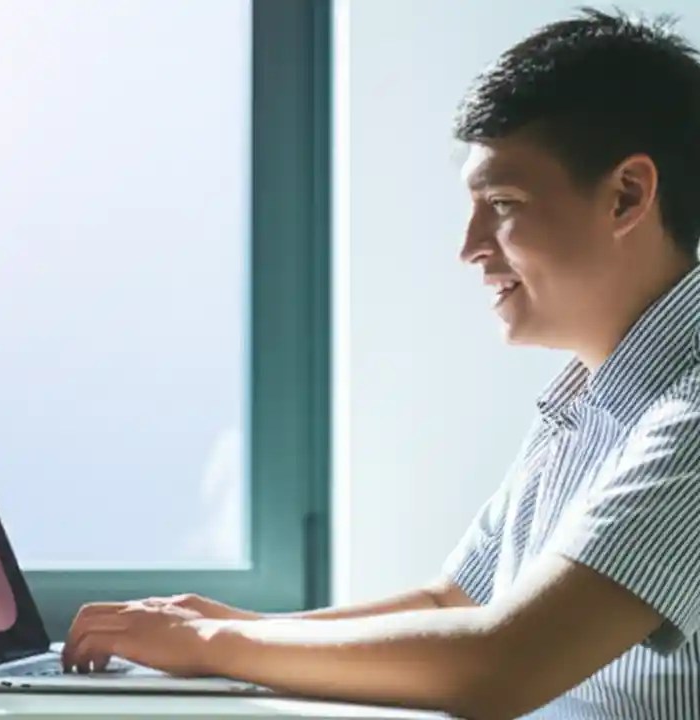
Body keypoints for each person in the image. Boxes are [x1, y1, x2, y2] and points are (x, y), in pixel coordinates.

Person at [63, 9, 700, 719]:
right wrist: (235, 629)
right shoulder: (589, 399)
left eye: (503, 204)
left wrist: (212, 642)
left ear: (628, 196)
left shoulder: (692, 410)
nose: (470, 246)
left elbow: (502, 662)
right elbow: (454, 601)